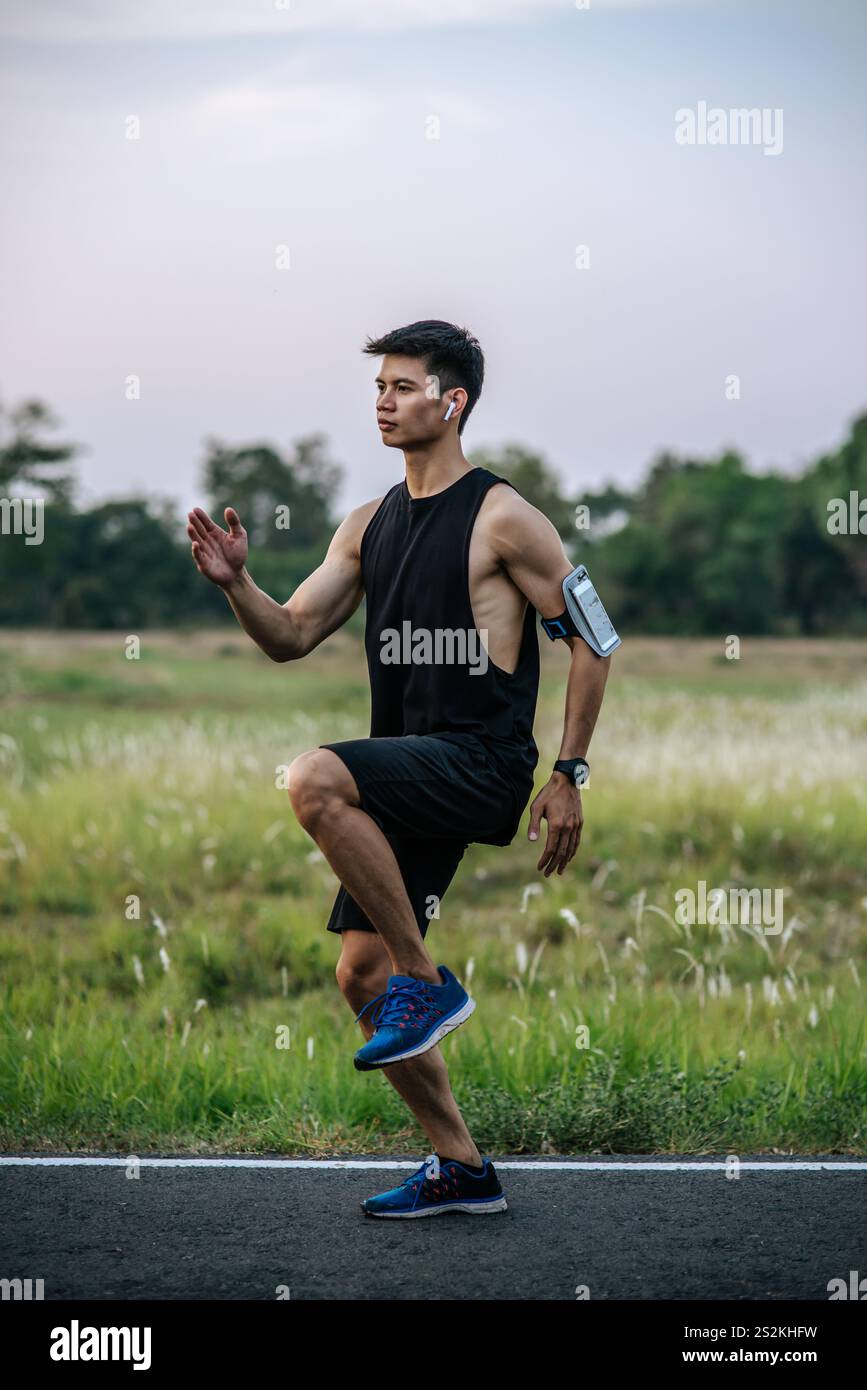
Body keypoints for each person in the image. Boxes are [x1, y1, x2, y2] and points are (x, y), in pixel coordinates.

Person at [187, 319, 613, 1218]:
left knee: (311, 779)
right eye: (378, 386)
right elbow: (292, 635)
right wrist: (237, 587)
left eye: (402, 386)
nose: (382, 401)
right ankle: (461, 1167)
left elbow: (594, 644)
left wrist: (569, 772)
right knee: (358, 975)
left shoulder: (504, 515)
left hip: (483, 760)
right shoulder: (368, 523)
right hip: (412, 766)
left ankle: (428, 982)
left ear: (451, 401)